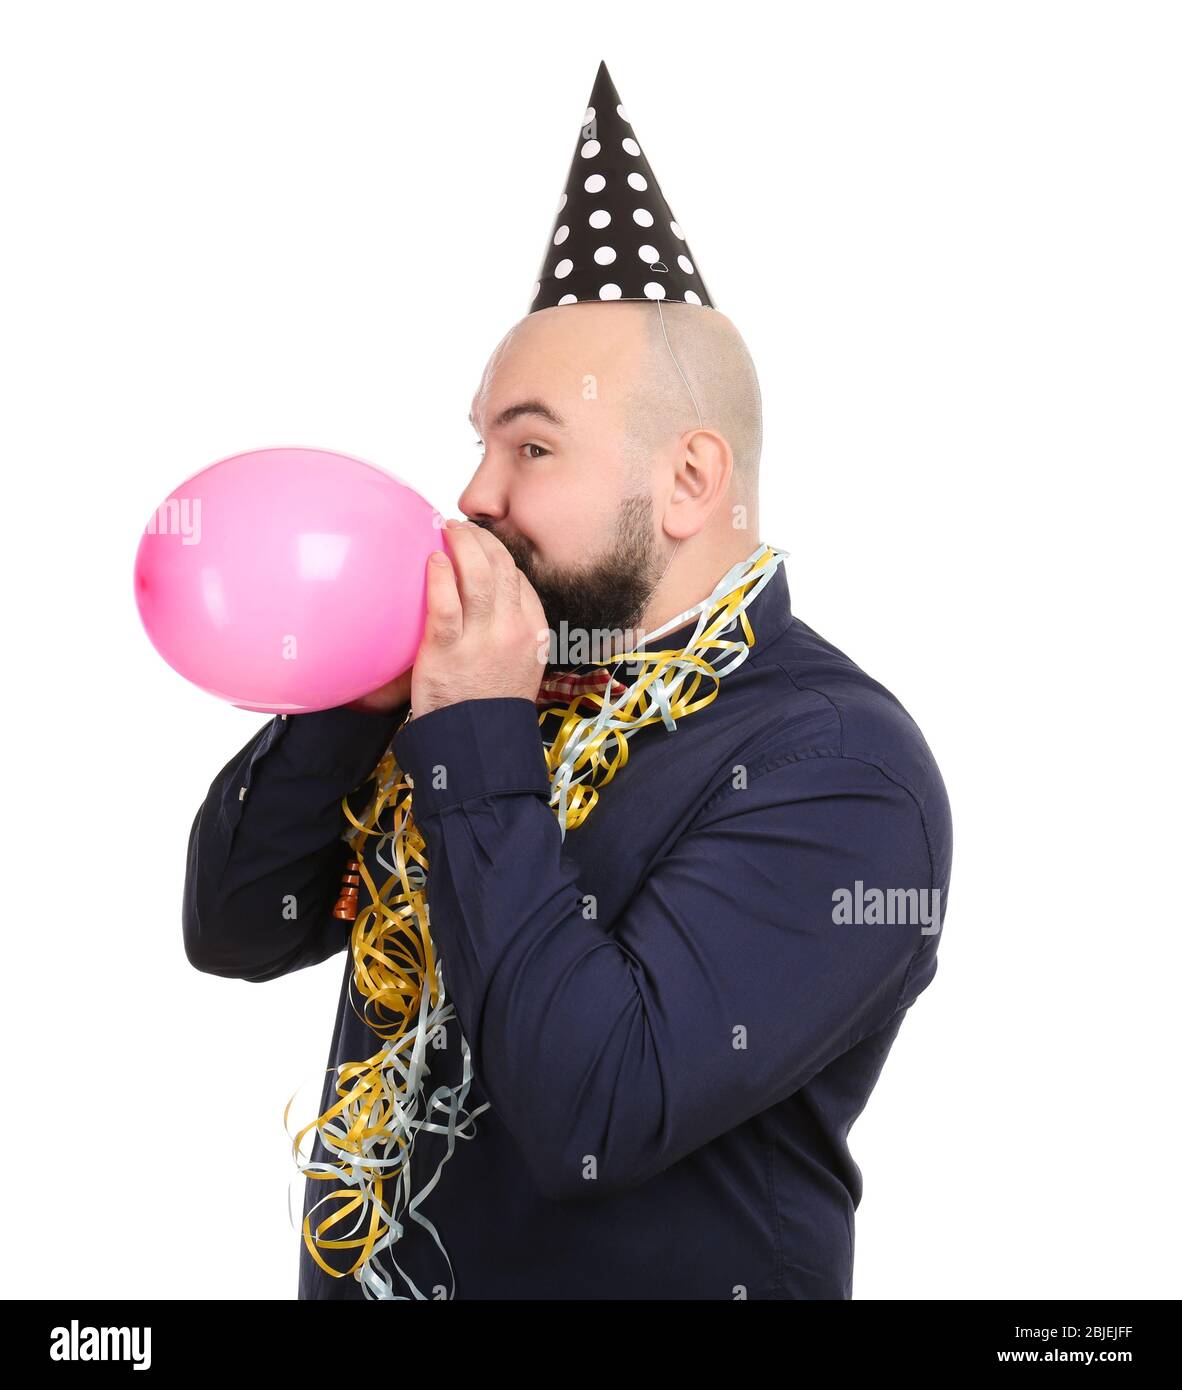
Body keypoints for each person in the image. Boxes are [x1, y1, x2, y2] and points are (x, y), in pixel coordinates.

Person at [182, 62, 952, 1300]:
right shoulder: (484, 690)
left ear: (692, 481)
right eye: (480, 443)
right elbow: (235, 923)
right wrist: (368, 687)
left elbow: (594, 1107)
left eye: (531, 445)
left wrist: (476, 732)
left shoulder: (840, 767)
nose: (476, 495)